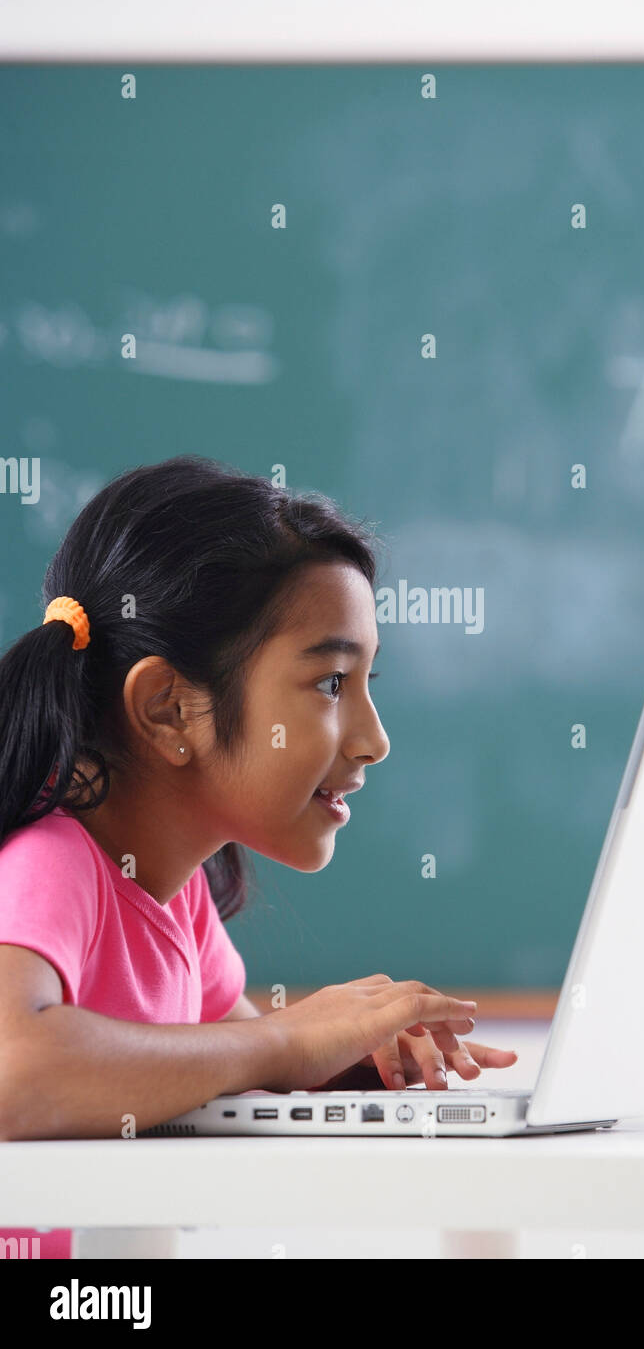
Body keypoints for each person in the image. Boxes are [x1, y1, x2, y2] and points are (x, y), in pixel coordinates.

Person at [0, 454, 517, 1253]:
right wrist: (285, 1041)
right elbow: (14, 1073)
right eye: (332, 683)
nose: (376, 740)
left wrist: (350, 1056)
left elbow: (222, 1061)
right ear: (169, 708)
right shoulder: (50, 862)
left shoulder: (179, 898)